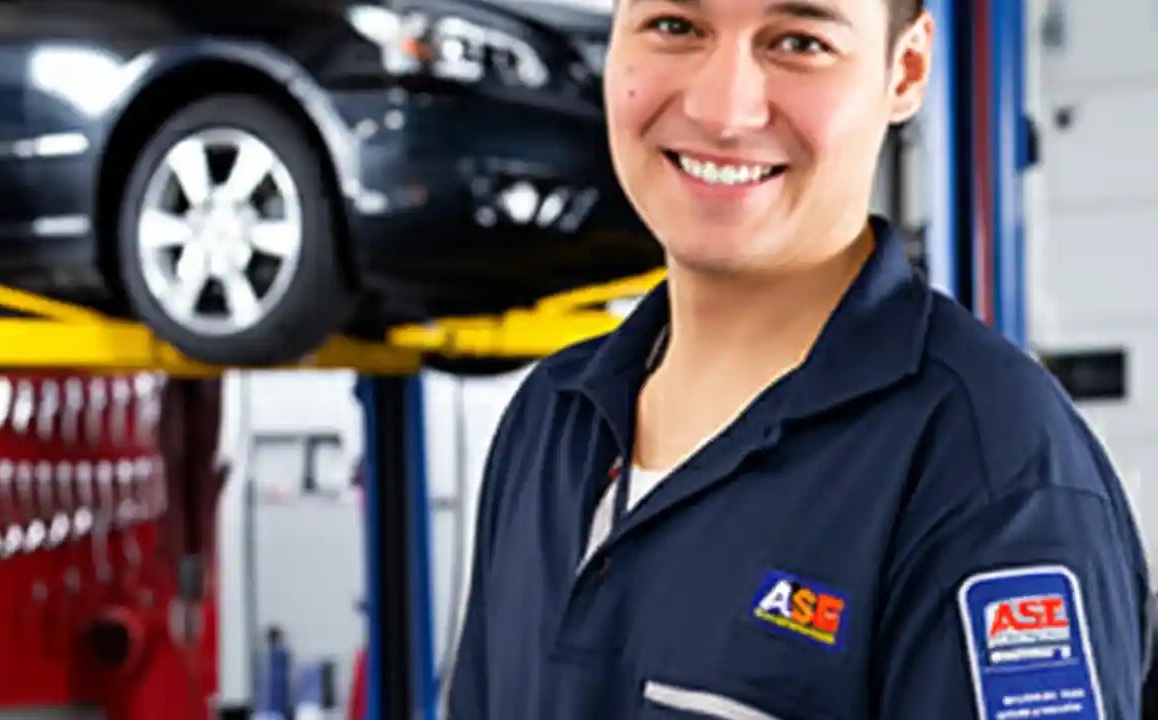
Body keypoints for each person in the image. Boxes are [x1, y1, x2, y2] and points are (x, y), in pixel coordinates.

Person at [445, 0, 1152, 718]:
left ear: (904, 71)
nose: (723, 110)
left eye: (798, 42)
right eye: (676, 27)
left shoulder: (990, 469)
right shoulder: (552, 417)